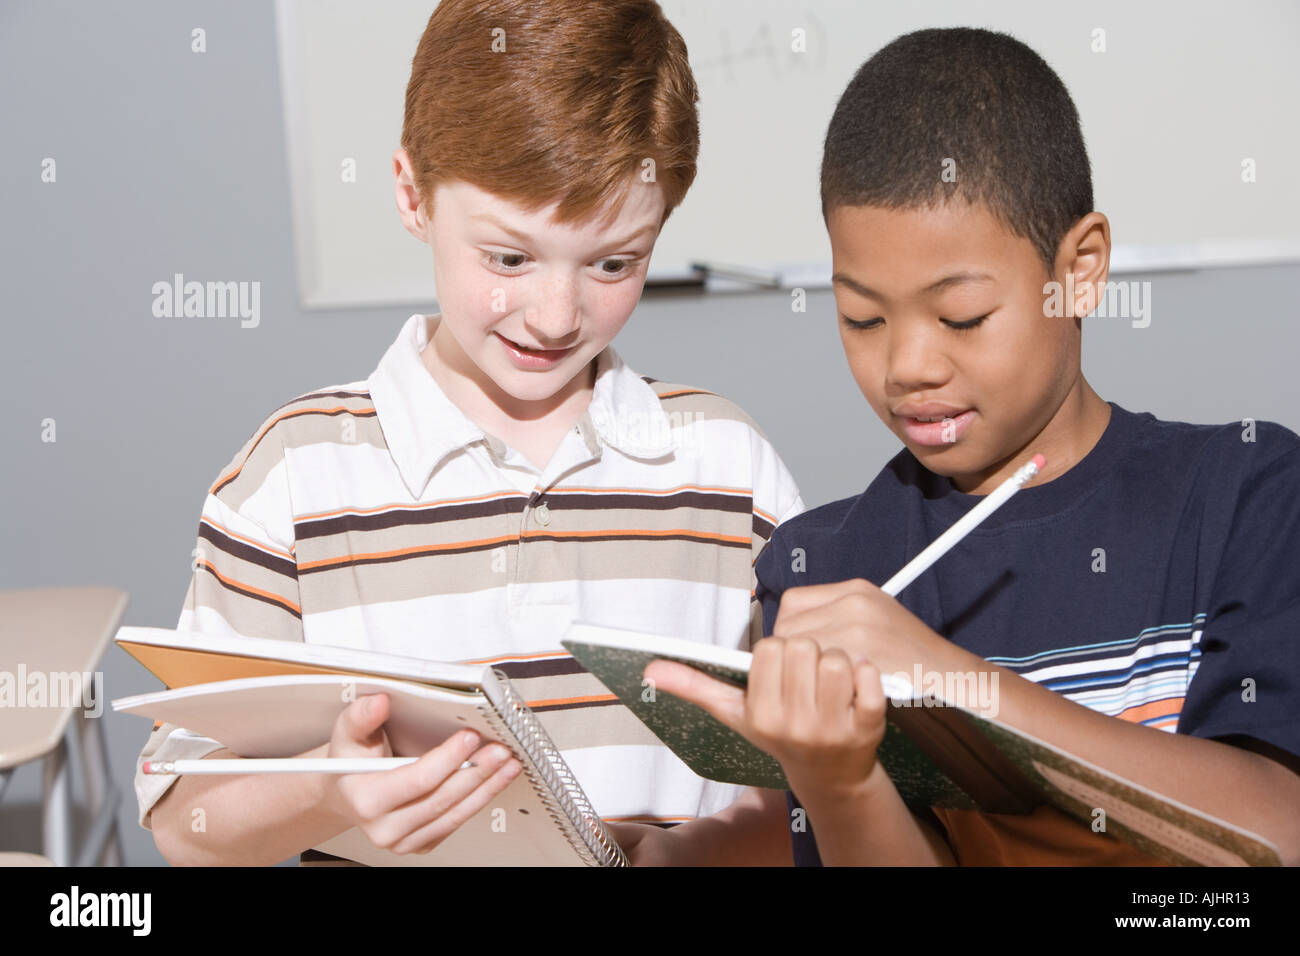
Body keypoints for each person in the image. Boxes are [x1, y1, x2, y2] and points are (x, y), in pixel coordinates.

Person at [136, 0, 802, 866]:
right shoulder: (294, 478)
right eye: (509, 258)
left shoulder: (727, 466)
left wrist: (687, 854)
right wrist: (326, 785)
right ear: (413, 196)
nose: (557, 315)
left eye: (613, 263)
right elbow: (182, 826)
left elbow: (816, 790)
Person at [630, 26, 1300, 866]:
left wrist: (950, 681)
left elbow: (1273, 832)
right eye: (862, 318)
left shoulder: (1246, 494)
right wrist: (842, 784)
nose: (908, 367)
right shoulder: (820, 572)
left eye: (962, 318)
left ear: (1081, 269)